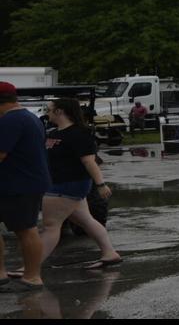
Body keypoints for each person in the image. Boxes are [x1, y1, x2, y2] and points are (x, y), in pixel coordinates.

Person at [33, 98, 122, 270]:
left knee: (51, 226)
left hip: (68, 185)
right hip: (58, 184)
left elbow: (90, 162)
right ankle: (110, 253)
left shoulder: (80, 134)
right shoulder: (53, 132)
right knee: (86, 221)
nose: (47, 112)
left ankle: (30, 267)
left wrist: (101, 184)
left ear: (60, 111)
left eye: (49, 109)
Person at [0, 81, 52, 293]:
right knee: (25, 229)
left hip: (21, 184)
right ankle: (1, 275)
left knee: (26, 230)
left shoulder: (11, 121)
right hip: (16, 183)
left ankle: (32, 278)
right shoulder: (28, 117)